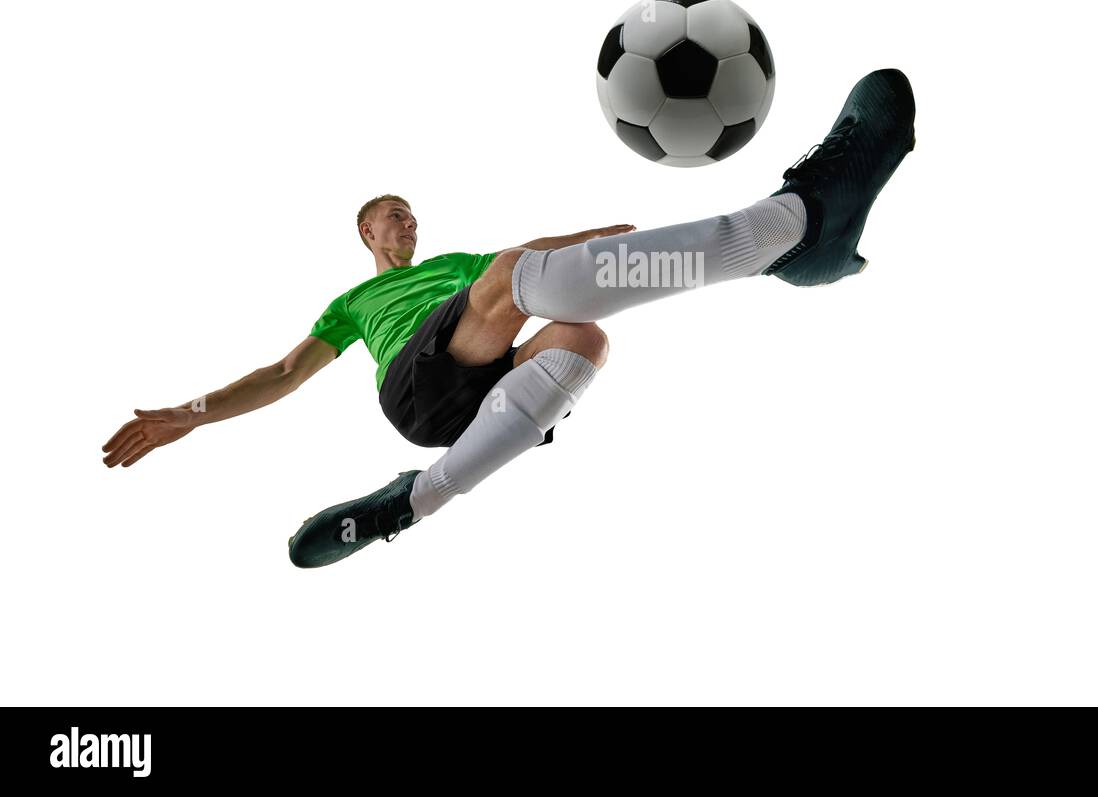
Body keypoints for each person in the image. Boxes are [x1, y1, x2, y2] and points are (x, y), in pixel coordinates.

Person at [101, 68, 917, 569]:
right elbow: (284, 373)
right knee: (507, 282)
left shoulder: (457, 266)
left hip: (473, 403)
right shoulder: (353, 304)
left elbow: (530, 259)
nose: (407, 220)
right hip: (412, 390)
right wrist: (192, 412)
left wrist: (594, 242)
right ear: (366, 232)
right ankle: (791, 229)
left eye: (411, 211)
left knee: (582, 337)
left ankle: (409, 503)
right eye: (392, 214)